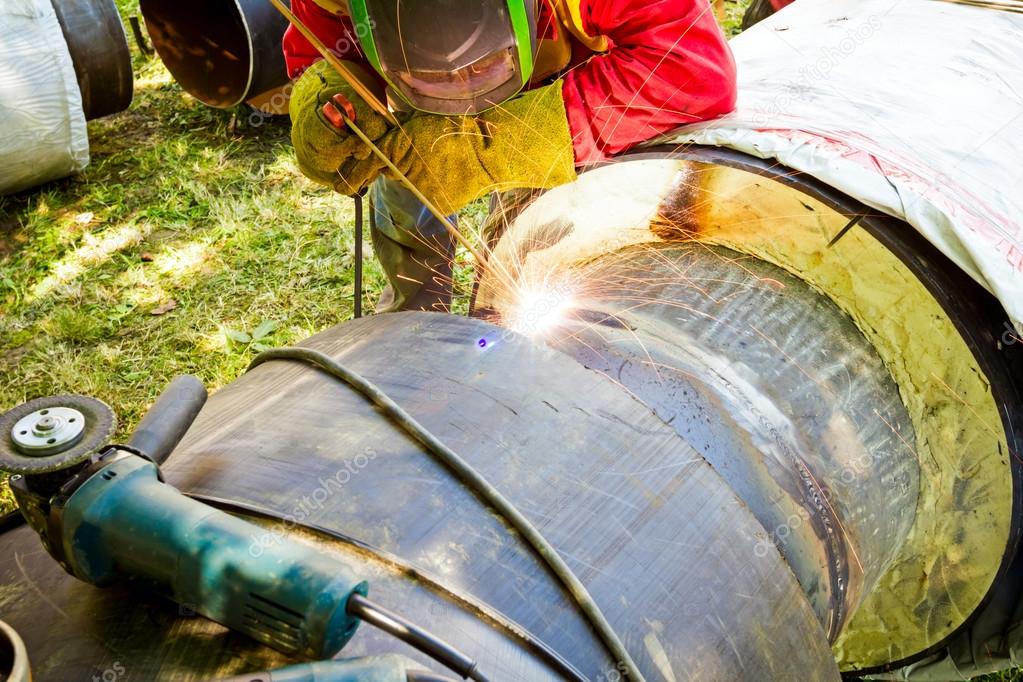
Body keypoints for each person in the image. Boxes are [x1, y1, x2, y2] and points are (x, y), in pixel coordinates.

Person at [284, 0, 737, 312]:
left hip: (562, 73)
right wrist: (329, 104)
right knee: (404, 177)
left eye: (481, 66)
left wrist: (491, 148)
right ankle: (414, 317)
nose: (466, 88)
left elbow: (695, 73)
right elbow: (313, 56)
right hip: (410, 105)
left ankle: (509, 304)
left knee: (538, 222)